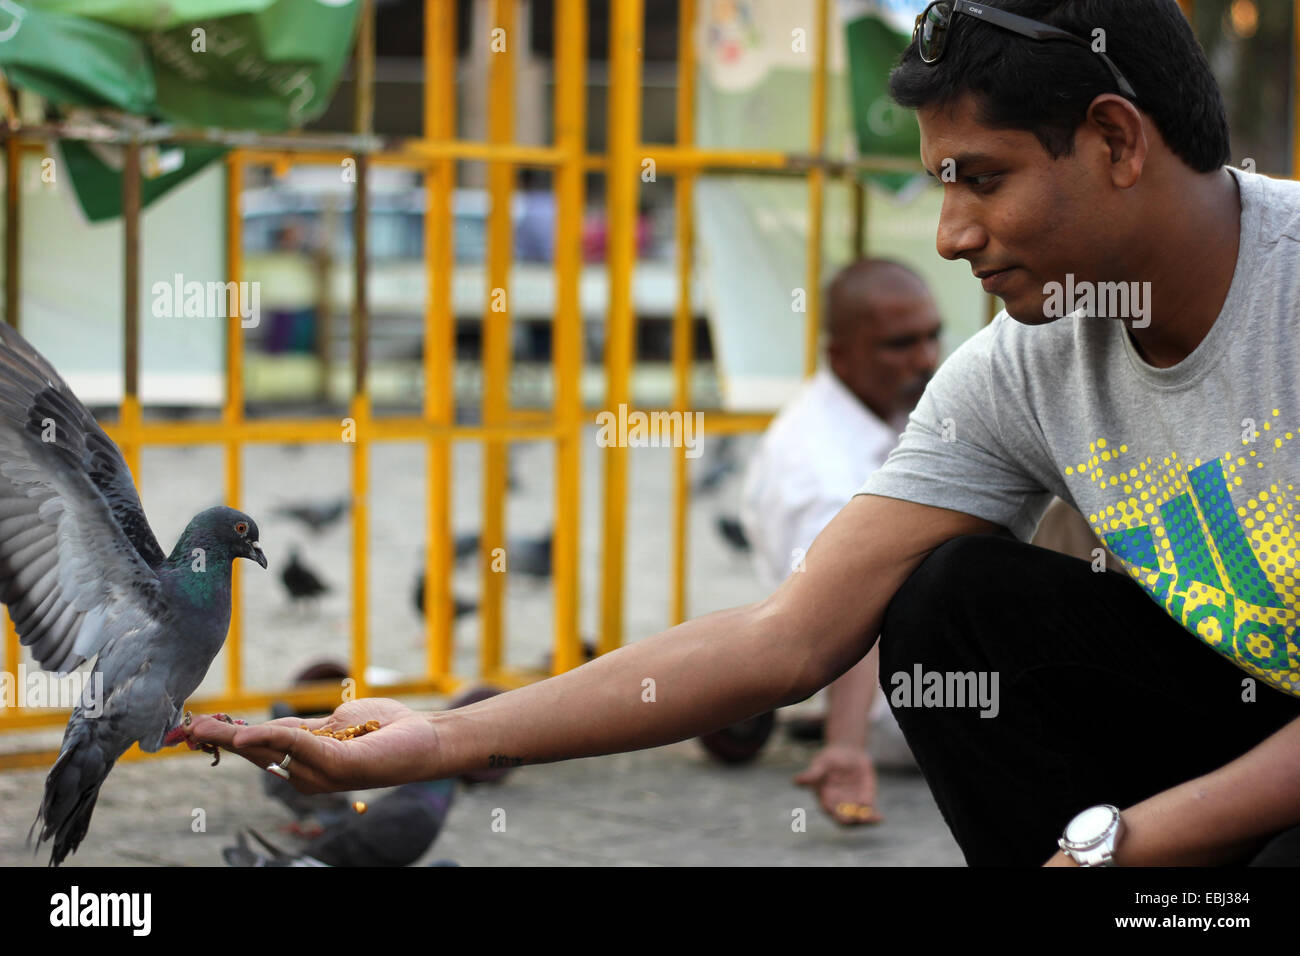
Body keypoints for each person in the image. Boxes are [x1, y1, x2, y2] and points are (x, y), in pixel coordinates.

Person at [189, 0, 1300, 866]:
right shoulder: (1027, 363)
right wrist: (435, 737)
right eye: (938, 188)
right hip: (1244, 748)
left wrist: (1132, 840)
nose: (952, 234)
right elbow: (783, 639)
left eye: (985, 180)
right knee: (948, 603)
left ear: (1113, 139)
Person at [739, 258, 940, 825]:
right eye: (900, 344)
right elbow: (847, 610)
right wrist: (846, 744)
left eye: (931, 336)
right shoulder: (820, 473)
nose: (925, 359)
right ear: (841, 357)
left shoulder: (888, 413)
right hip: (905, 706)